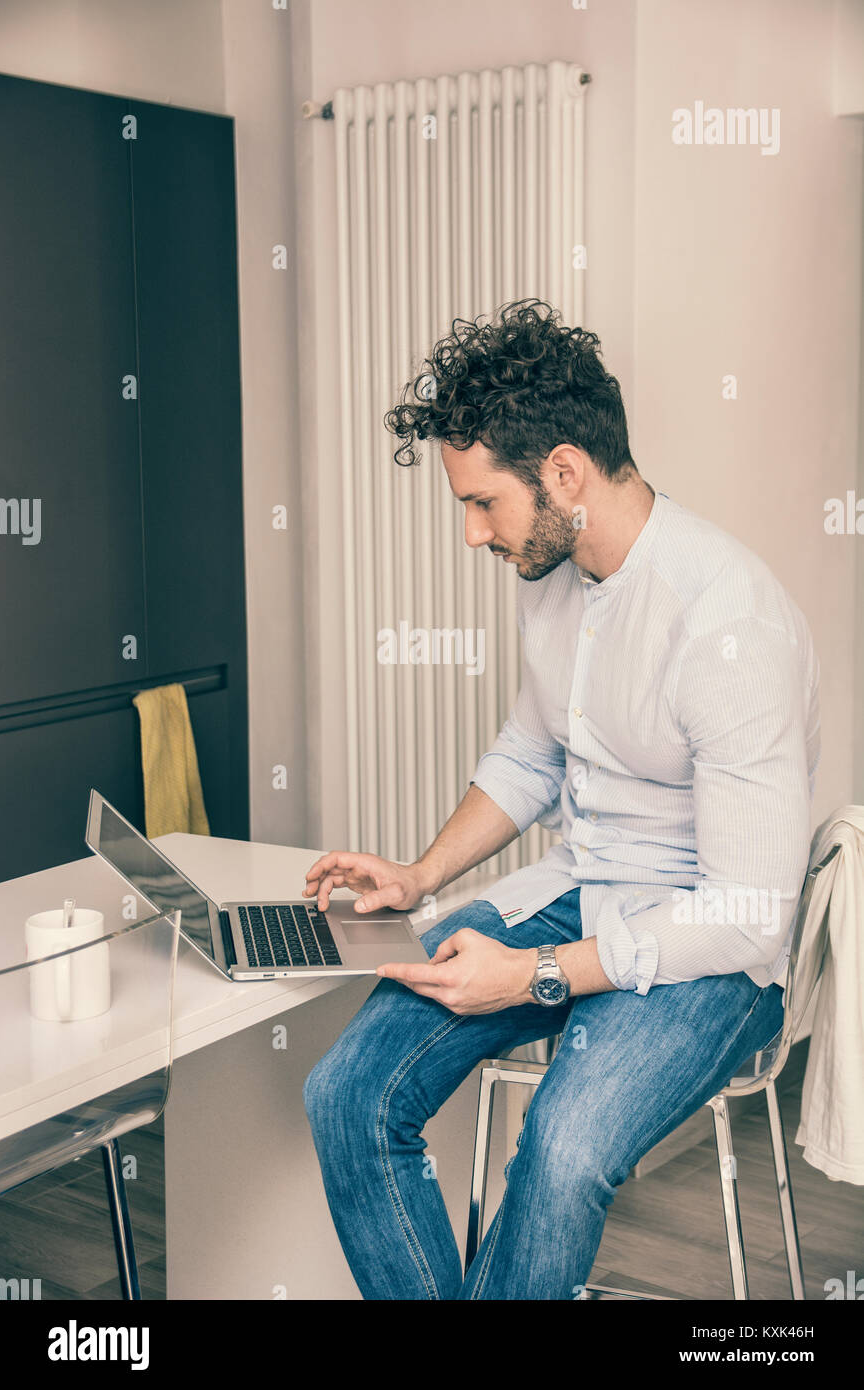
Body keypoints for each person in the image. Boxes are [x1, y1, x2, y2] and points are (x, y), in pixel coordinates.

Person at [301, 299, 820, 1300]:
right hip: (581, 888)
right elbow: (533, 749)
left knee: (563, 1151)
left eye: (482, 502)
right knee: (347, 1093)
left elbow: (746, 914)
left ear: (566, 475)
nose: (469, 533)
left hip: (706, 945)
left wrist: (533, 973)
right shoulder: (551, 569)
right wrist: (419, 875)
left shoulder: (727, 625)